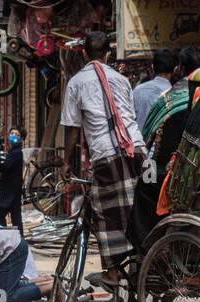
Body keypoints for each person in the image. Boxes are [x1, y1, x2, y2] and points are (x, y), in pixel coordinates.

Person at [60, 30, 147, 287]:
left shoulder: (76, 82)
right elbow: (129, 116)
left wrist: (66, 161)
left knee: (106, 213)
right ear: (108, 54)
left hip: (106, 155)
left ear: (84, 53)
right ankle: (143, 260)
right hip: (137, 150)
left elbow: (72, 127)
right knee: (139, 209)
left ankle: (112, 272)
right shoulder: (121, 79)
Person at [0, 125, 25, 233]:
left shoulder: (17, 153)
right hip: (11, 189)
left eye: (17, 135)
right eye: (12, 133)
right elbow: (6, 173)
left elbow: (5, 168)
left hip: (10, 190)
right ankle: (17, 238)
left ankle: (6, 236)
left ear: (21, 139)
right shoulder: (13, 151)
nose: (13, 136)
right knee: (15, 217)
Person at [133, 48, 174, 130]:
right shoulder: (175, 95)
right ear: (175, 69)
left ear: (153, 67)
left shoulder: (137, 90)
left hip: (138, 137)